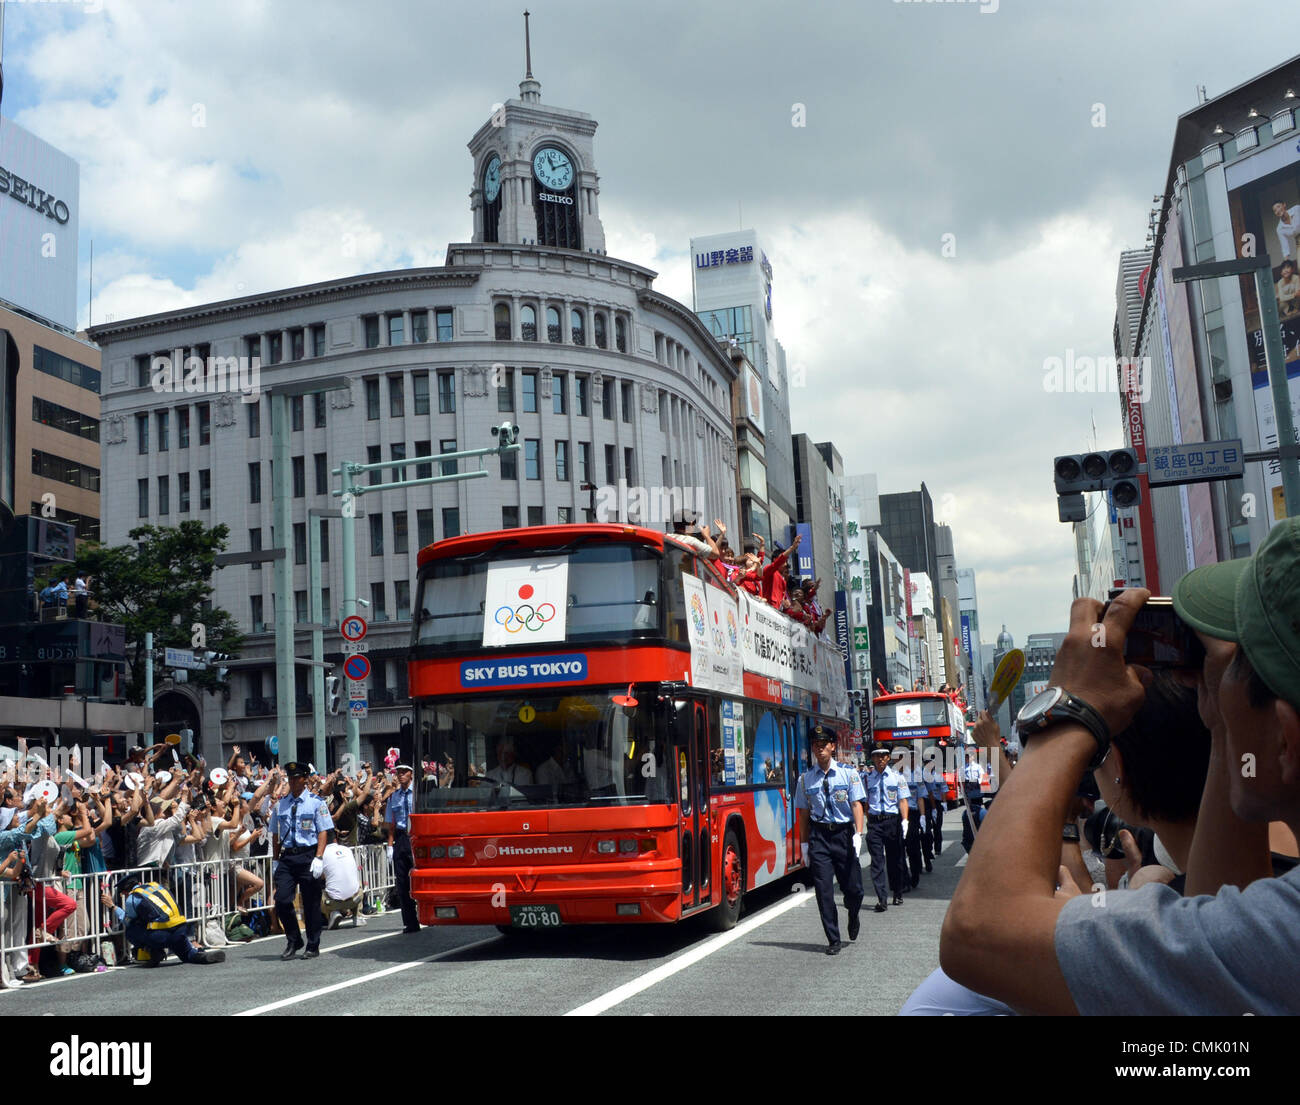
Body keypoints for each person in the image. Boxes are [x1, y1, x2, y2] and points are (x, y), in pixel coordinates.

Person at [941, 516, 1300, 1014]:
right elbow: (1221, 954)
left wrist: (1072, 709)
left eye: (1239, 664)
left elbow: (978, 932)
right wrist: (1220, 720)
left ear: (1286, 740)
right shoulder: (1274, 927)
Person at [792, 726, 864, 954]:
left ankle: (853, 914)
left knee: (854, 890)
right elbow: (803, 814)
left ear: (833, 746)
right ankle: (833, 939)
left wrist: (858, 834)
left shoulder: (848, 773)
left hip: (843, 833)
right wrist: (804, 845)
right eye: (815, 744)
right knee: (823, 891)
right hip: (819, 837)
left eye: (824, 744)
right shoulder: (805, 780)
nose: (820, 748)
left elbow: (856, 804)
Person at [271, 762, 333, 960]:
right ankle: (294, 939)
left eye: (297, 777)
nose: (293, 781)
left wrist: (319, 857)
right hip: (288, 856)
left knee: (311, 903)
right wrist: (275, 859)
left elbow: (323, 830)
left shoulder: (316, 802)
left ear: (305, 779)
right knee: (281, 899)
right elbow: (275, 833)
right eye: (290, 778)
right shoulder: (282, 804)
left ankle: (313, 944)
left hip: (308, 854)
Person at [100, 876, 224, 966]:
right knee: (186, 954)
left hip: (161, 935)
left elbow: (128, 920)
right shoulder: (156, 886)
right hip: (180, 928)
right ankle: (201, 956)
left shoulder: (132, 897)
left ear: (125, 892)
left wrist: (113, 906)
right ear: (140, 882)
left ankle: (155, 951)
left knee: (131, 930)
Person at [863, 744, 909, 909]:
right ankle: (881, 898)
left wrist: (905, 821)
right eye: (877, 755)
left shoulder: (897, 777)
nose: (881, 759)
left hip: (892, 822)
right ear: (873, 758)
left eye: (884, 755)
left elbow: (903, 800)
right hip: (875, 823)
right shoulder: (867, 778)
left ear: (888, 758)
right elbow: (866, 802)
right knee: (876, 861)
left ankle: (897, 892)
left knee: (894, 859)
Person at [384, 764, 420, 934]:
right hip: (401, 838)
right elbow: (391, 823)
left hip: (417, 836)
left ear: (411, 774)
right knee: (402, 882)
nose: (400, 775)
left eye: (404, 772)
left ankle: (426, 913)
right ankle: (410, 922)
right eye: (398, 773)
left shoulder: (419, 793)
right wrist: (390, 845)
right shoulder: (394, 797)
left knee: (420, 878)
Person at [321, 835, 365, 930]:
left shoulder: (321, 854)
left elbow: (321, 876)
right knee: (357, 882)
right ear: (335, 838)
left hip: (333, 902)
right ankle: (357, 915)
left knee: (321, 887)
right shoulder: (347, 849)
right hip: (356, 897)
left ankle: (333, 913)